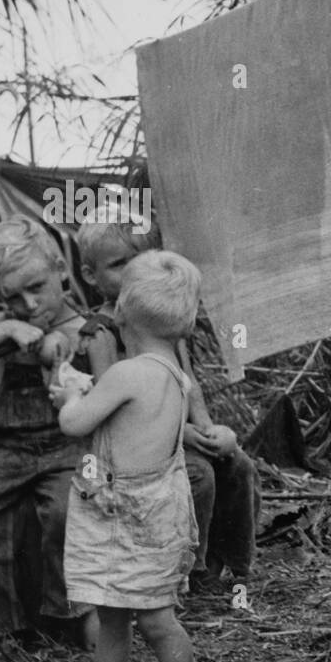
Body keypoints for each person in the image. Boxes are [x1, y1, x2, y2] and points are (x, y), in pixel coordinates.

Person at [51, 250, 202, 662]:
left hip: (128, 513)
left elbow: (75, 423)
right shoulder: (174, 375)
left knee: (143, 617)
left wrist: (69, 394)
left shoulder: (125, 373)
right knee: (133, 612)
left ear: (119, 312)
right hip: (157, 509)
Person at [76, 220, 261, 595]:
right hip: (133, 446)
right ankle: (186, 571)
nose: (133, 270)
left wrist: (207, 429)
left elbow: (188, 384)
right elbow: (112, 411)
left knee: (237, 464)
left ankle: (231, 564)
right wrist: (184, 435)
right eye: (118, 263)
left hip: (175, 434)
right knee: (198, 476)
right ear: (90, 275)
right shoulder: (103, 331)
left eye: (141, 257)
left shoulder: (159, 318)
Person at [0, 217, 97, 653]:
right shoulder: (4, 325)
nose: (28, 304)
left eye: (36, 287)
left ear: (60, 269)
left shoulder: (86, 328)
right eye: (12, 297)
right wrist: (8, 328)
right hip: (2, 448)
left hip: (66, 446)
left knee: (68, 513)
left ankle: (67, 620)